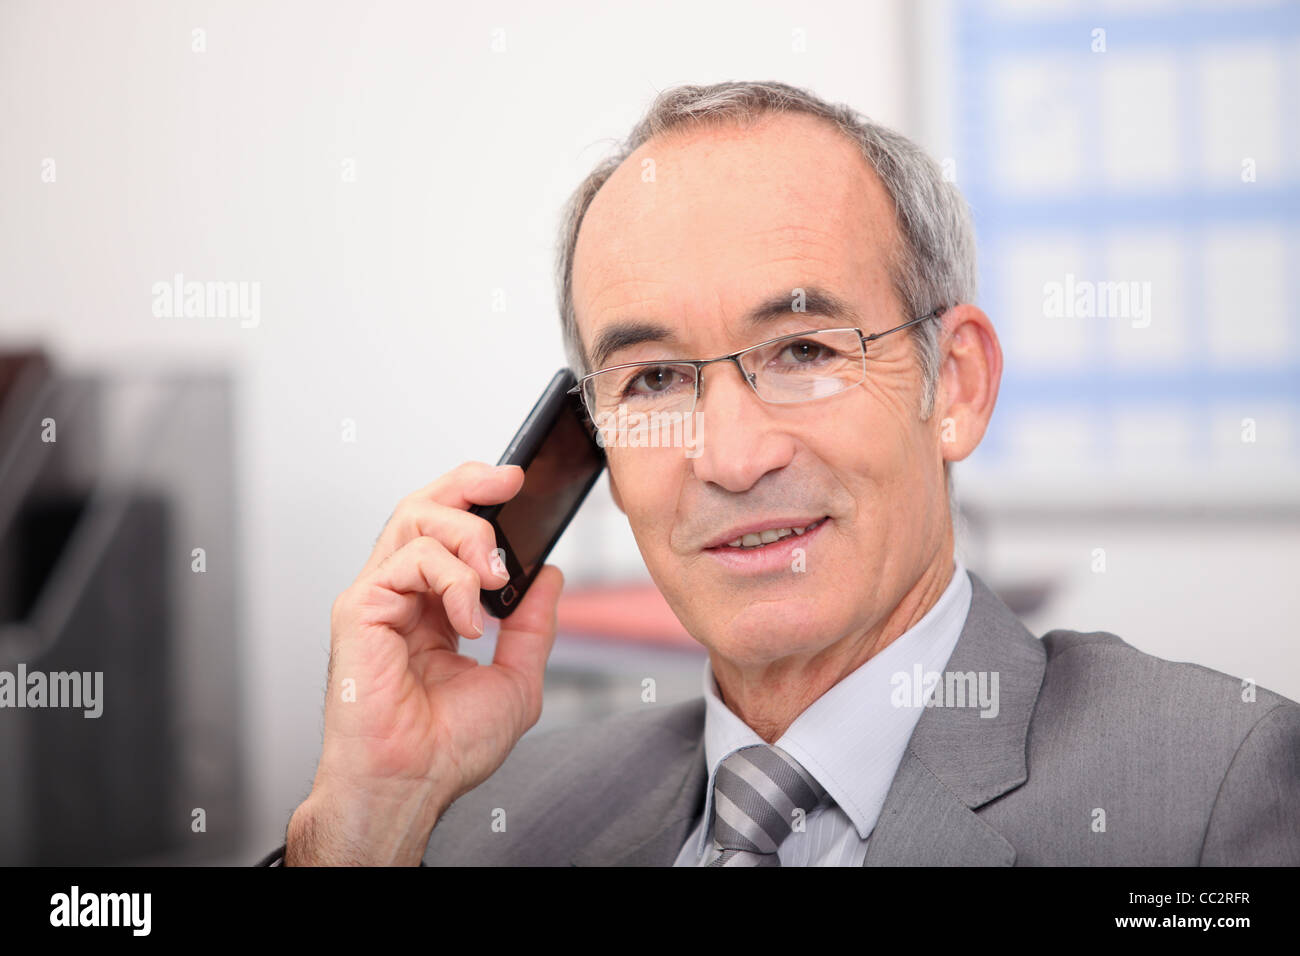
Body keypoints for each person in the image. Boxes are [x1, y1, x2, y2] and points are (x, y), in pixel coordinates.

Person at [257, 81, 1300, 867]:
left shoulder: (1210, 786)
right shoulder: (493, 815)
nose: (730, 456)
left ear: (957, 386)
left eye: (803, 351)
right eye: (656, 378)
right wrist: (366, 820)